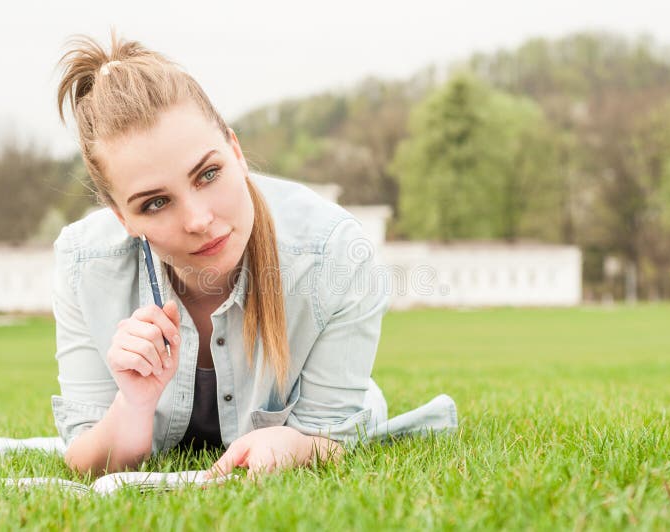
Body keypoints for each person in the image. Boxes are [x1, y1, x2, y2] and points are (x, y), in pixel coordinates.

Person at [52, 31, 457, 480]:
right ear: (121, 217)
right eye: (155, 203)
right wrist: (133, 403)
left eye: (208, 174)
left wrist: (298, 445)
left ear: (237, 152)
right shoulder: (83, 263)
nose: (198, 220)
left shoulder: (334, 253)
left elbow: (330, 435)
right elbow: (86, 460)